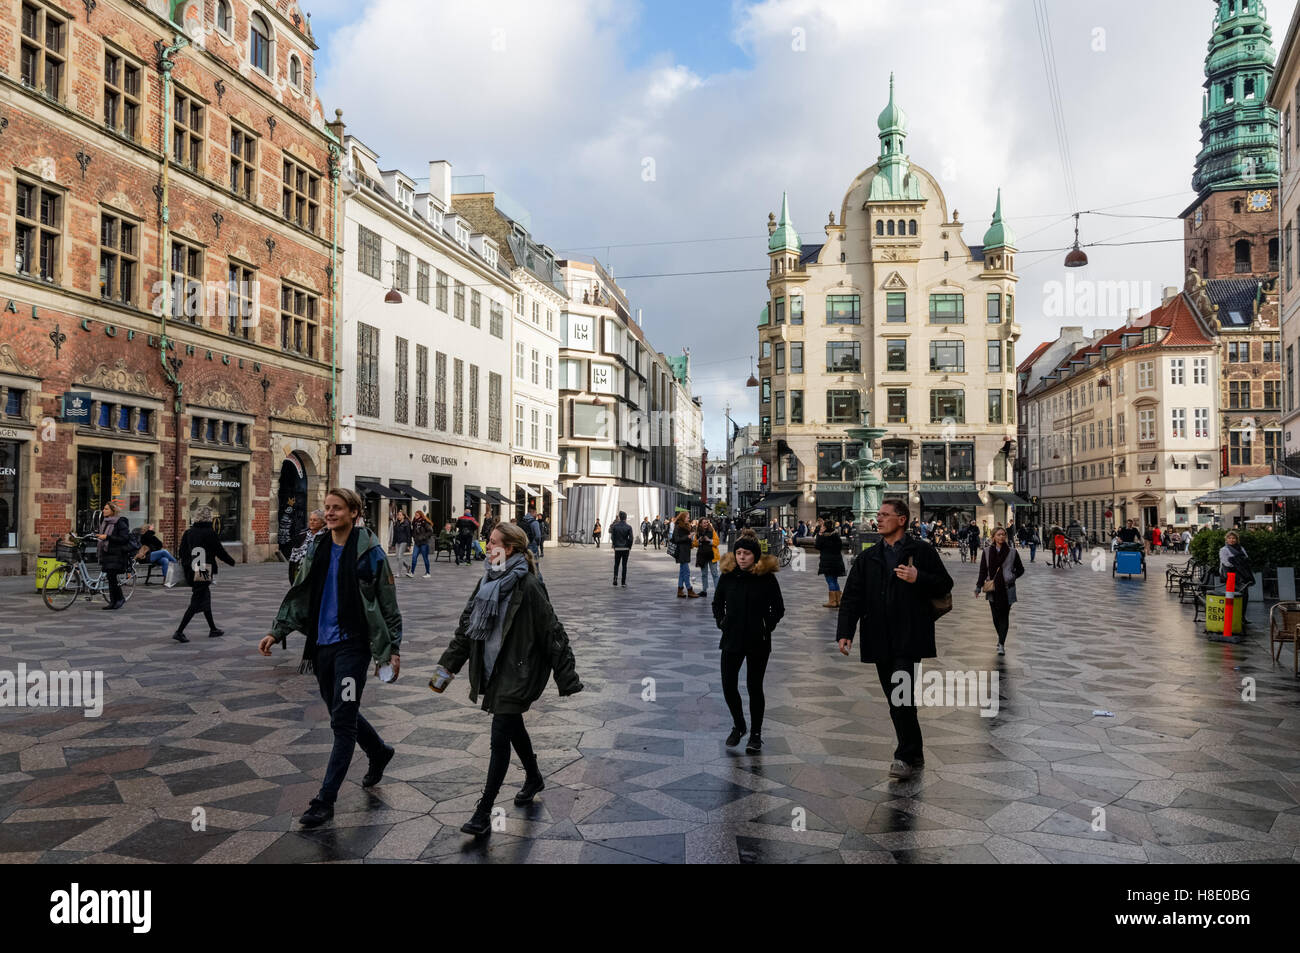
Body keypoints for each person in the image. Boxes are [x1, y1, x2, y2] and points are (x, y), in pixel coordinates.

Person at [260, 487, 402, 829]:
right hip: (321, 647)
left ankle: (325, 800)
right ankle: (379, 751)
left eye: (337, 508)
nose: (330, 513)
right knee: (342, 712)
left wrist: (392, 650)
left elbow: (388, 603)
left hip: (354, 648)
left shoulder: (371, 553)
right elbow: (301, 592)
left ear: (354, 512)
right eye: (327, 508)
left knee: (342, 722)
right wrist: (278, 631)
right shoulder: (319, 546)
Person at [435, 522, 582, 835]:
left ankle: (483, 810)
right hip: (492, 670)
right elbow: (466, 629)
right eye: (488, 542)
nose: (487, 547)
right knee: (512, 725)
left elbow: (551, 630)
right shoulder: (487, 580)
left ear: (510, 548)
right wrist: (446, 669)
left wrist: (566, 676)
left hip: (518, 670)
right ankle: (534, 776)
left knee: (499, 736)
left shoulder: (528, 586)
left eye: (492, 542)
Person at [837, 499, 953, 781]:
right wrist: (845, 632)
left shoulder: (921, 551)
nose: (879, 519)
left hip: (909, 635)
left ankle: (903, 755)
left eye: (885, 515)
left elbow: (945, 584)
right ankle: (915, 750)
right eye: (878, 515)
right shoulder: (868, 557)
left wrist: (918, 577)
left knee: (901, 695)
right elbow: (852, 597)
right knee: (896, 698)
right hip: (878, 635)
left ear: (902, 520)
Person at [711, 536, 783, 754]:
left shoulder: (766, 578)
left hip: (757, 640)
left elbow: (778, 608)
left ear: (755, 556)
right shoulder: (728, 576)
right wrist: (722, 622)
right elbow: (717, 602)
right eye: (739, 553)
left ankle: (755, 734)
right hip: (732, 638)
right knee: (728, 685)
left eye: (747, 554)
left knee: (754, 686)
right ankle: (739, 724)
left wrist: (766, 626)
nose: (742, 558)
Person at [173, 505, 236, 641]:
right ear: (208, 517)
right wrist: (231, 561)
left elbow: (182, 552)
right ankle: (179, 631)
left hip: (191, 568)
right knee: (196, 600)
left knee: (205, 597)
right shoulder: (209, 532)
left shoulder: (189, 532)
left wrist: (187, 565)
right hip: (203, 568)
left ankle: (213, 629)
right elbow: (219, 550)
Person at [975, 527, 1024, 655]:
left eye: (1003, 535)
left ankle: (1001, 643)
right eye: (999, 535)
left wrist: (1011, 577)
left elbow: (1020, 569)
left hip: (1008, 589)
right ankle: (1000, 638)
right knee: (996, 617)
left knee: (1004, 616)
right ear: (993, 537)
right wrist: (978, 586)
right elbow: (983, 571)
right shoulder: (986, 552)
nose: (1001, 537)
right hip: (993, 589)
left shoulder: (1012, 552)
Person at [95, 502, 131, 610]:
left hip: (117, 554)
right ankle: (113, 601)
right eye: (103, 509)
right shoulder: (105, 522)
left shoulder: (120, 522)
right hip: (108, 554)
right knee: (110, 578)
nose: (103, 511)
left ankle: (119, 599)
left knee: (112, 578)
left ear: (112, 511)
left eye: (106, 509)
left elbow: (124, 538)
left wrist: (107, 537)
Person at [1219, 531, 1255, 626]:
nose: (1232, 540)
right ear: (1226, 539)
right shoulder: (1224, 550)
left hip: (1242, 575)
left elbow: (1246, 558)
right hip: (1232, 575)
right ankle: (1234, 617)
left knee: (1245, 595)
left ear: (1236, 539)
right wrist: (1238, 562)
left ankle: (1242, 616)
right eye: (1229, 538)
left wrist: (1237, 561)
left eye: (1233, 538)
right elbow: (1226, 563)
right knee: (1234, 595)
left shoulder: (1241, 548)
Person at [289, 509, 326, 585]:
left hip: (316, 574)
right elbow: (293, 556)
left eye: (315, 520)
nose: (312, 522)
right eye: (310, 520)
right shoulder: (302, 536)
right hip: (299, 571)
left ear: (322, 523)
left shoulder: (325, 537)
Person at [815, 517, 846, 608]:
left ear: (825, 527)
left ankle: (832, 601)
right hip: (837, 561)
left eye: (822, 526)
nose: (821, 527)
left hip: (827, 562)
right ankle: (838, 601)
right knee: (834, 580)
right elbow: (839, 547)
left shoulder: (824, 537)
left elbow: (817, 546)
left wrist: (820, 534)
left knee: (830, 580)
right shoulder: (836, 536)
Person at [139, 523, 178, 587]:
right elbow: (148, 541)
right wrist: (150, 531)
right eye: (151, 527)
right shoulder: (143, 537)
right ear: (147, 529)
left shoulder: (152, 537)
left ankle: (166, 581)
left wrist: (155, 548)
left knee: (165, 560)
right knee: (164, 552)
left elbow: (160, 544)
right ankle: (177, 564)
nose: (153, 528)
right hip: (146, 557)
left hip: (154, 556)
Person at [670, 512, 698, 598]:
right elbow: (676, 539)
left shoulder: (686, 526)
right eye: (687, 517)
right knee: (686, 572)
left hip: (685, 551)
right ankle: (689, 590)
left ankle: (680, 590)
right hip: (681, 551)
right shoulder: (678, 526)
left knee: (682, 572)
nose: (688, 519)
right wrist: (688, 537)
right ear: (682, 518)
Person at [694, 518, 721, 598]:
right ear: (700, 524)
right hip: (702, 556)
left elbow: (717, 542)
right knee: (704, 574)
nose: (706, 524)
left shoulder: (712, 531)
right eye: (704, 523)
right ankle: (704, 591)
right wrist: (699, 540)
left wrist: (709, 540)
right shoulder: (698, 533)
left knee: (715, 574)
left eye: (707, 522)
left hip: (712, 555)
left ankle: (718, 591)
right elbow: (694, 544)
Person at [609, 510, 634, 587]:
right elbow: (631, 538)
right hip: (625, 548)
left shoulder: (615, 526)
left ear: (620, 517)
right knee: (624, 565)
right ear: (626, 518)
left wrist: (614, 545)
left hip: (618, 548)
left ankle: (615, 578)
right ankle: (623, 582)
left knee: (616, 564)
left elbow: (612, 537)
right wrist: (629, 547)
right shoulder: (629, 527)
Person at [409, 511, 433, 577]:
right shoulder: (414, 522)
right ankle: (412, 573)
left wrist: (423, 537)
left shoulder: (424, 522)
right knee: (414, 557)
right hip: (417, 543)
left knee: (425, 558)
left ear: (420, 515)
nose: (416, 515)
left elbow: (430, 531)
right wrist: (413, 536)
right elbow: (413, 532)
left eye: (417, 514)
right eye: (415, 514)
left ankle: (428, 573)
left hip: (424, 543)